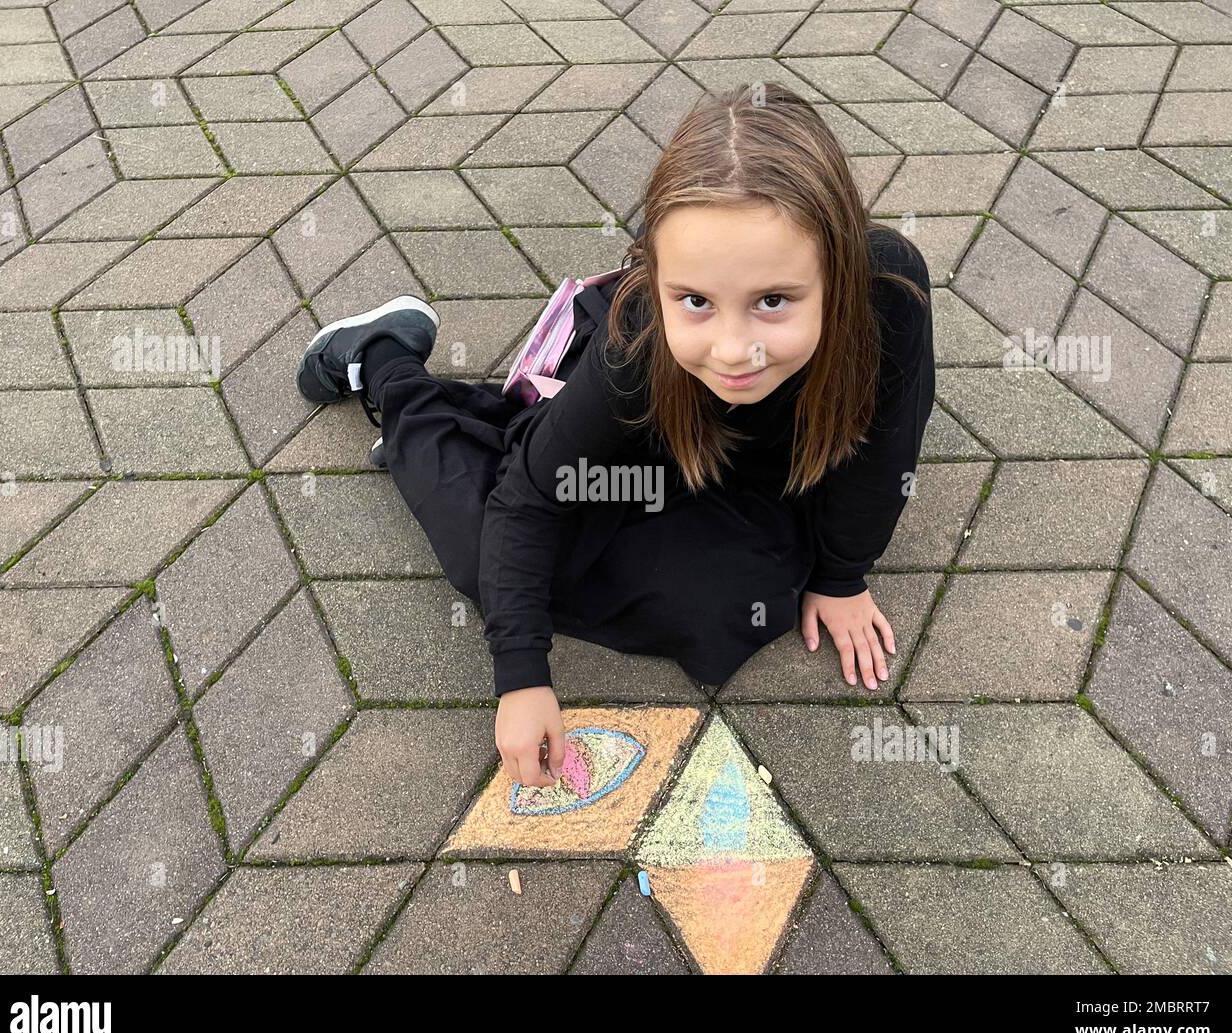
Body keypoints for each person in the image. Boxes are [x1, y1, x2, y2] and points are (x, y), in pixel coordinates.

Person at [294, 81, 935, 792]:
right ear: (655, 280)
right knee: (497, 556)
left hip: (746, 474)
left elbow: (884, 451)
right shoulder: (639, 345)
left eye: (773, 301)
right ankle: (387, 365)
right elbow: (533, 497)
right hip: (644, 435)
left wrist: (842, 575)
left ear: (838, 273)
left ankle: (478, 430)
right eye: (696, 300)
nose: (732, 348)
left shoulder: (887, 294)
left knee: (742, 604)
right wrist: (522, 677)